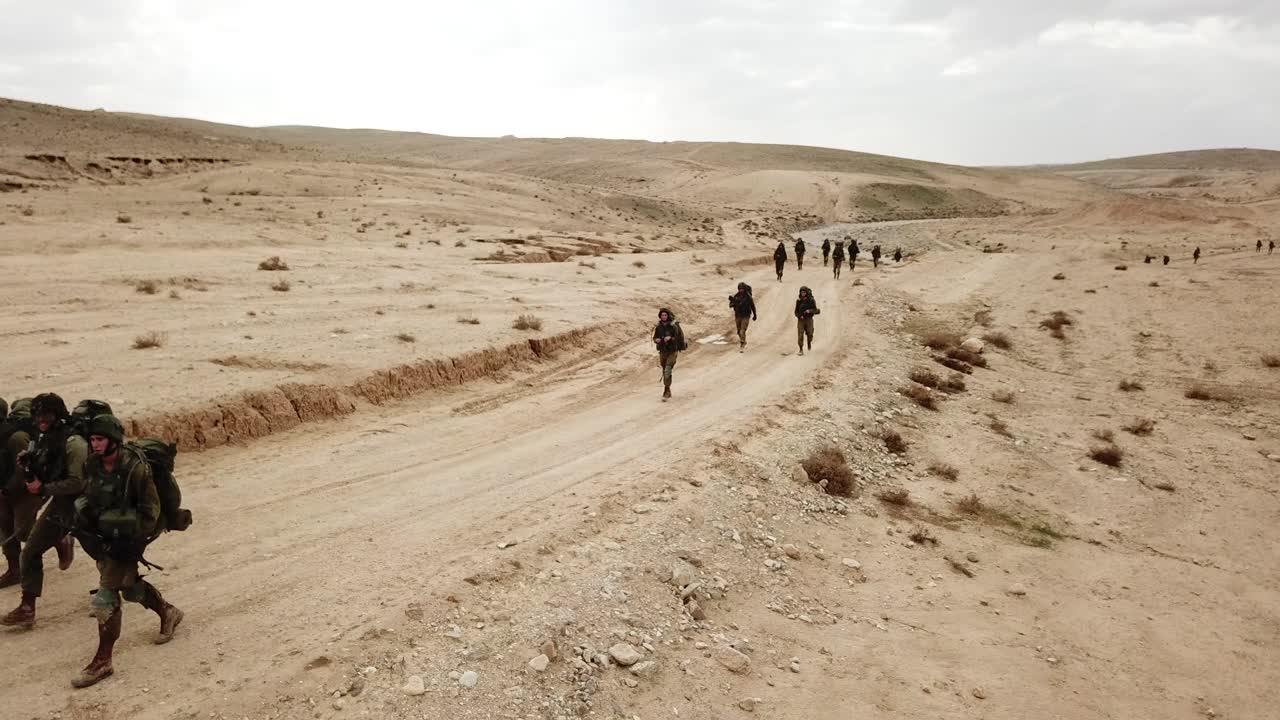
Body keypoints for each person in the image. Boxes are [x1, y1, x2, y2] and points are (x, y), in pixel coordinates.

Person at [69, 414, 183, 687]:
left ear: (113, 440)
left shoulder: (135, 468)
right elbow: (90, 495)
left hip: (136, 533)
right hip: (109, 533)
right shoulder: (93, 464)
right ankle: (167, 611)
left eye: (100, 439)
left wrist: (131, 542)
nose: (95, 444)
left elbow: (151, 512)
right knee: (130, 589)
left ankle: (103, 661)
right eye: (92, 439)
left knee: (106, 596)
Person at [1, 393, 83, 629]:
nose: (40, 420)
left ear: (57, 415)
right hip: (60, 502)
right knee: (31, 550)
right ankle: (27, 608)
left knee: (104, 553)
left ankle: (117, 592)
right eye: (37, 415)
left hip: (85, 504)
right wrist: (29, 464)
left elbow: (78, 482)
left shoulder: (74, 443)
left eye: (45, 415)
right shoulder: (44, 438)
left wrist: (43, 488)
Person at [1, 398, 39, 589]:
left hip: (27, 490)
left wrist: (6, 490)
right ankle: (14, 570)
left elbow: (24, 471)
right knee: (4, 527)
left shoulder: (17, 437)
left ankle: (59, 537)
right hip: (6, 490)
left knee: (24, 532)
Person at [652, 308, 681, 400]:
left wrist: (670, 338)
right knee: (665, 370)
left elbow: (678, 338)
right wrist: (656, 340)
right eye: (662, 315)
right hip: (663, 351)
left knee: (667, 369)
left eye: (665, 315)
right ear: (660, 316)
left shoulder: (673, 326)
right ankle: (667, 388)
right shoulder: (658, 327)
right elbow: (655, 337)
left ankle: (667, 390)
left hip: (672, 351)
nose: (664, 317)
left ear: (668, 316)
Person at [728, 282, 757, 352]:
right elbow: (730, 305)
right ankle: (743, 340)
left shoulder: (748, 297)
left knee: (742, 330)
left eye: (742, 289)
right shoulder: (736, 296)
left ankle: (742, 343)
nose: (741, 290)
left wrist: (755, 314)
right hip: (738, 315)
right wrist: (734, 302)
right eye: (740, 289)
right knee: (738, 331)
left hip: (746, 315)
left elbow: (752, 306)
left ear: (745, 289)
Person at [794, 287, 820, 355]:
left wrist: (810, 311)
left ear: (806, 293)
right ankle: (801, 349)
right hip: (801, 320)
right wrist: (800, 316)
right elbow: (796, 312)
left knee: (810, 333)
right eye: (801, 292)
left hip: (809, 319)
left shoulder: (811, 300)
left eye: (804, 292)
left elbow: (816, 310)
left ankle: (809, 342)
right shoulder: (799, 301)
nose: (802, 293)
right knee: (800, 334)